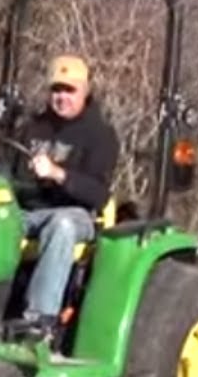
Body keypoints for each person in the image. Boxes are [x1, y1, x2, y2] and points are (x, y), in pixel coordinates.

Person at [11, 54, 119, 339]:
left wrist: (57, 174)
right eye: (57, 90)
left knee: (62, 225)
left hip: (76, 214)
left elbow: (98, 193)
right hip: (27, 210)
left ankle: (39, 321)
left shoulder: (100, 135)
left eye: (69, 90)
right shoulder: (32, 128)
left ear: (84, 91)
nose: (62, 97)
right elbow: (8, 172)